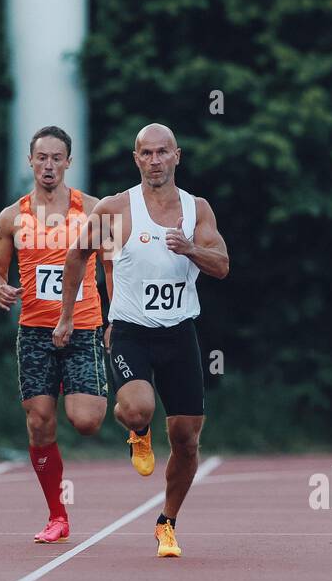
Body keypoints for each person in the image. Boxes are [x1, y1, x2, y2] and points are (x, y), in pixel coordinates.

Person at [55, 124, 228, 558]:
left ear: (177, 156)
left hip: (179, 333)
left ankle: (166, 522)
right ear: (136, 159)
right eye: (146, 153)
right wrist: (68, 315)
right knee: (139, 407)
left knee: (187, 438)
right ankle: (137, 430)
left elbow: (222, 265)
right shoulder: (116, 209)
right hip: (130, 331)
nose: (154, 161)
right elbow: (78, 254)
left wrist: (190, 250)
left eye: (162, 152)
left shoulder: (196, 209)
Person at [0, 126, 109, 544]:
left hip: (84, 325)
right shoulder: (12, 216)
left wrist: (117, 318)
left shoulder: (91, 210)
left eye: (57, 158)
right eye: (42, 158)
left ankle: (135, 421)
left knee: (87, 421)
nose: (49, 165)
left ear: (69, 162)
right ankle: (57, 515)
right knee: (39, 424)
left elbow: (113, 265)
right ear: (30, 161)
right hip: (35, 331)